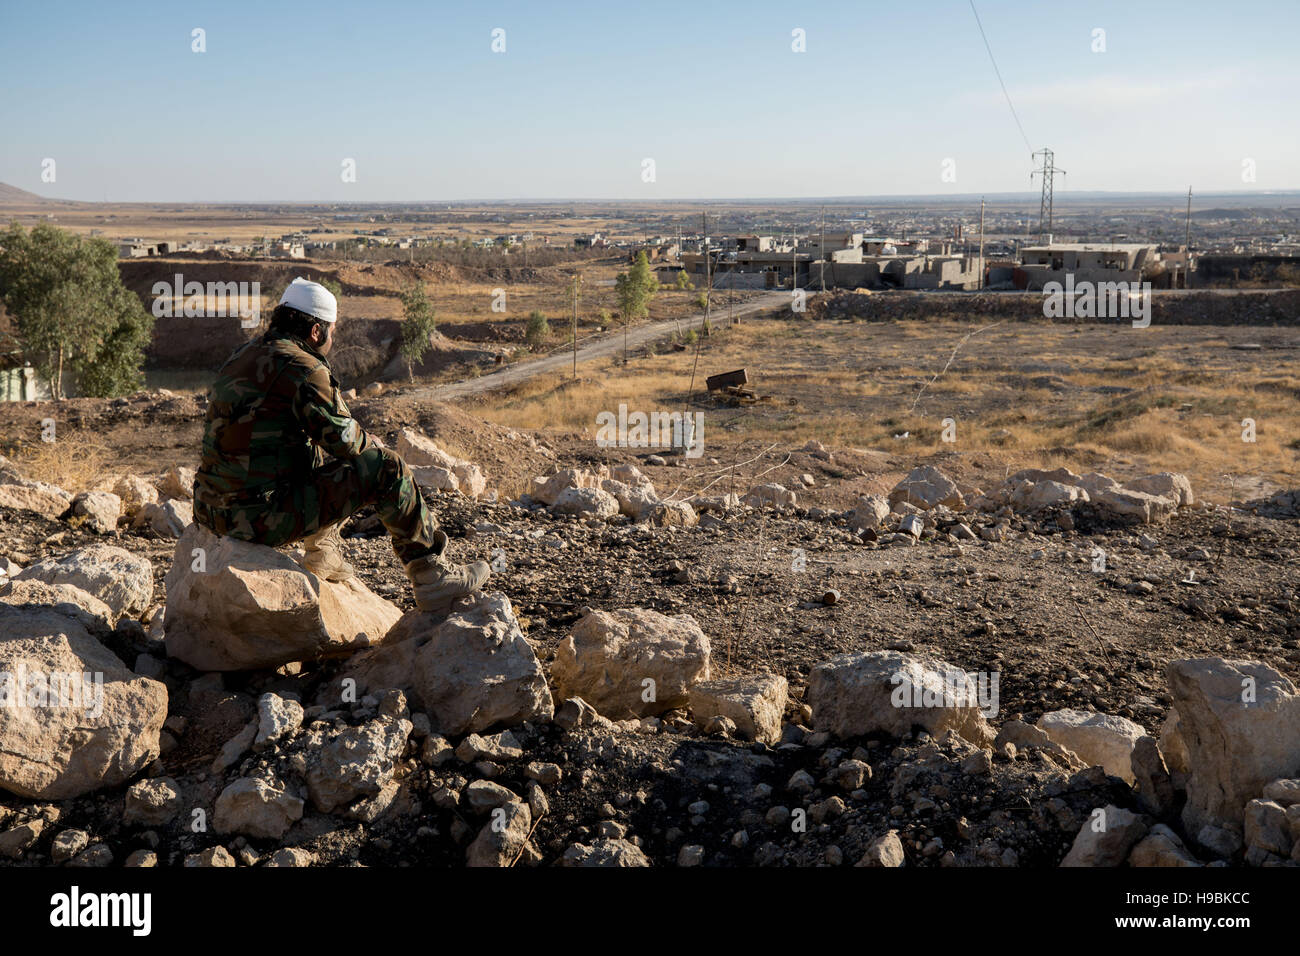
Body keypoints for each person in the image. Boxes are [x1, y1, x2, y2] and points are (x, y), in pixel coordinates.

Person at [192, 277, 488, 610]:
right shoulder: (303, 368)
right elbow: (347, 444)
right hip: (257, 518)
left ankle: (324, 552)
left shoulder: (242, 355)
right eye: (331, 331)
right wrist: (370, 444)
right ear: (316, 331)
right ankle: (431, 575)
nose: (332, 337)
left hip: (210, 510)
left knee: (308, 445)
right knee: (386, 468)